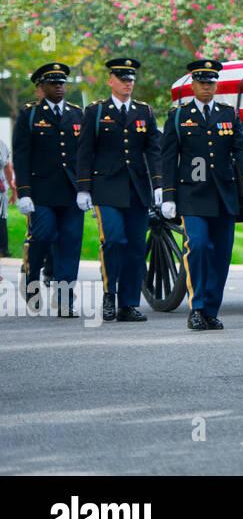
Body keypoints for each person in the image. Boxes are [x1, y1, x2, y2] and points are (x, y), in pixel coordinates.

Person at [161, 60, 243, 330]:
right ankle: (197, 308)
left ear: (216, 85)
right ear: (193, 84)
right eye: (202, 82)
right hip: (192, 195)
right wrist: (168, 195)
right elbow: (169, 157)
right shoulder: (179, 115)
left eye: (211, 83)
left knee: (221, 254)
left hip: (223, 194)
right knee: (199, 245)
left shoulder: (228, 114)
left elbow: (241, 149)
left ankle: (211, 311)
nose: (207, 87)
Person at [76, 57, 162, 323]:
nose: (128, 83)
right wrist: (83, 188)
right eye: (123, 79)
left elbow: (154, 150)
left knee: (136, 246)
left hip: (136, 188)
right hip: (106, 187)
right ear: (110, 81)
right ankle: (108, 294)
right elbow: (85, 151)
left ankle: (128, 303)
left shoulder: (144, 111)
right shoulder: (96, 111)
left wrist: (159, 184)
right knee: (113, 240)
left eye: (131, 79)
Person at [12, 62, 84, 316]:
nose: (59, 87)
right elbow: (21, 156)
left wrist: (87, 188)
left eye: (62, 82)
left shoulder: (77, 114)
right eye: (53, 83)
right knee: (42, 235)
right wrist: (23, 191)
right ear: (40, 87)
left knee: (70, 243)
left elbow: (85, 155)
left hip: (71, 191)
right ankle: (31, 276)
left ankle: (65, 300)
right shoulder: (30, 114)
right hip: (41, 191)